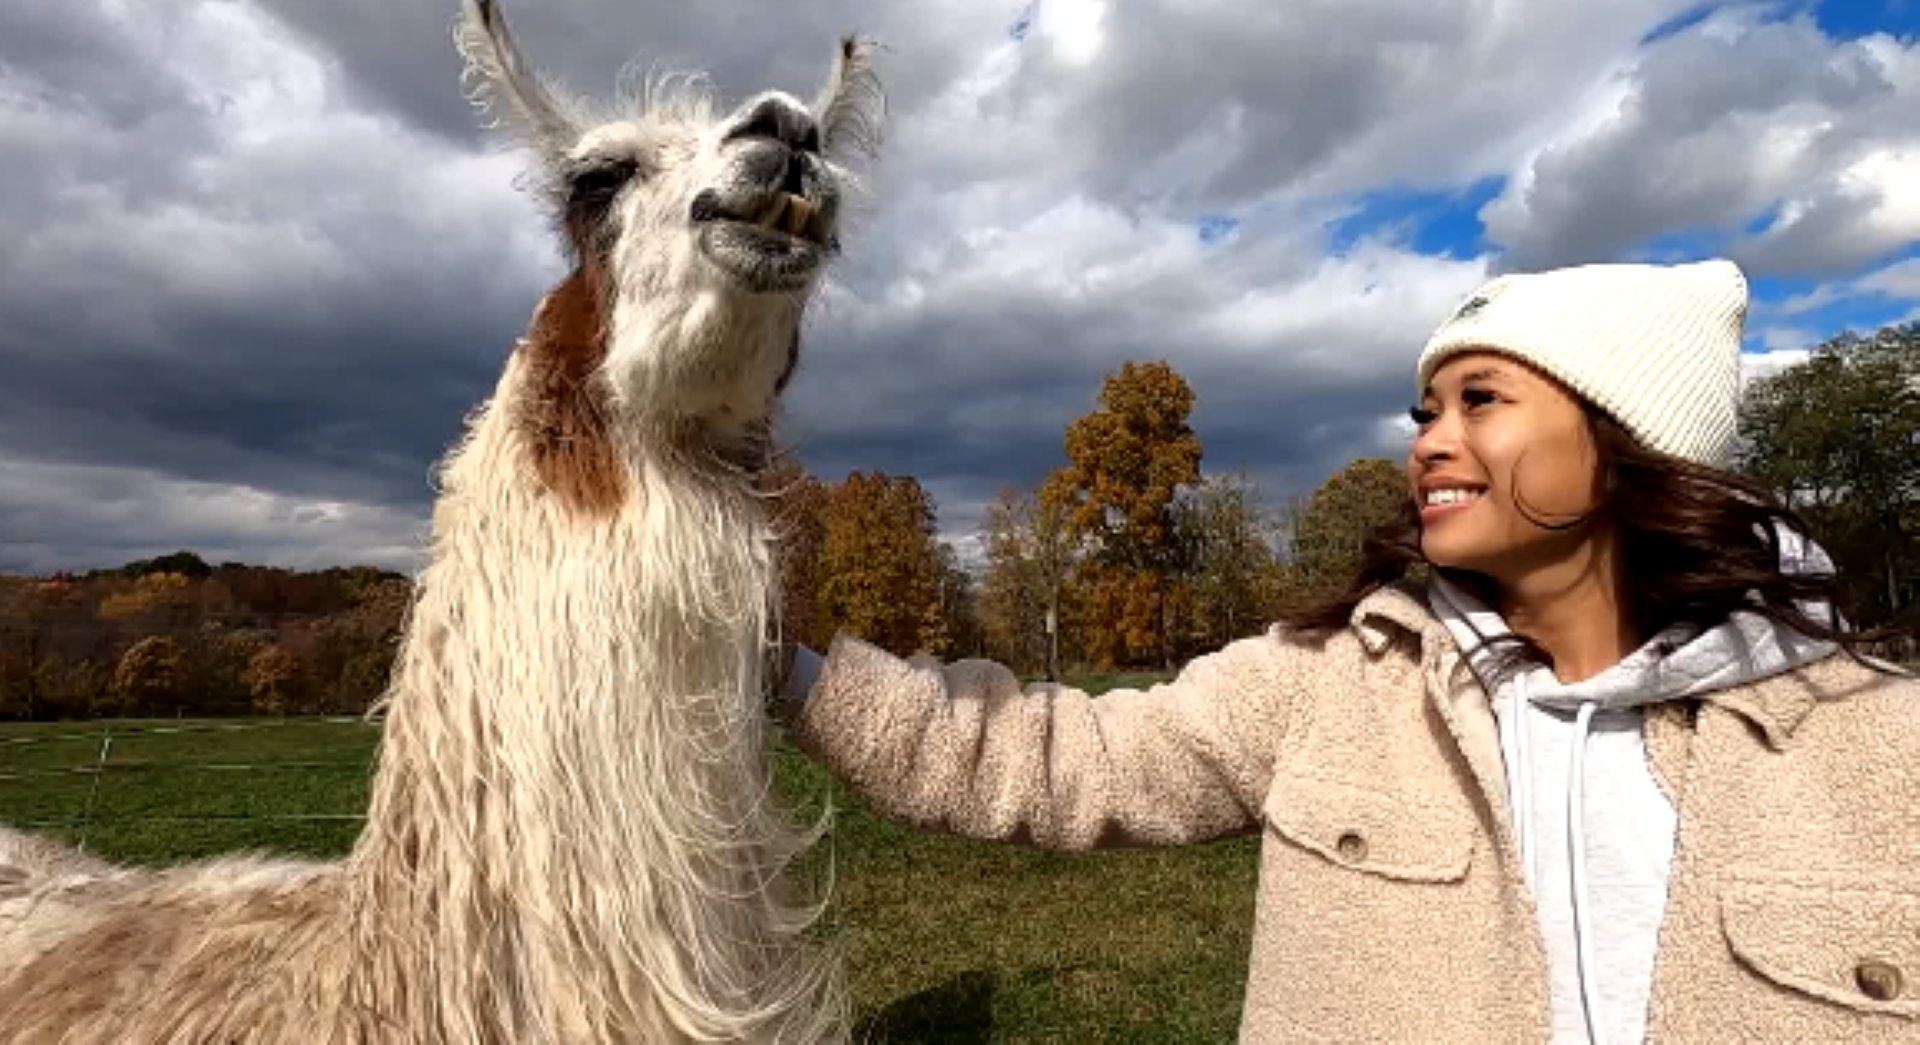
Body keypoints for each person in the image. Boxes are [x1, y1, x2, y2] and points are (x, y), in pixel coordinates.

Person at [776, 259, 1920, 1043]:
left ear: (1625, 442)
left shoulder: (1875, 739)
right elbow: (1055, 758)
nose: (1430, 442)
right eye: (1425, 411)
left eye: (1480, 399)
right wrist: (782, 673)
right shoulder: (1332, 683)